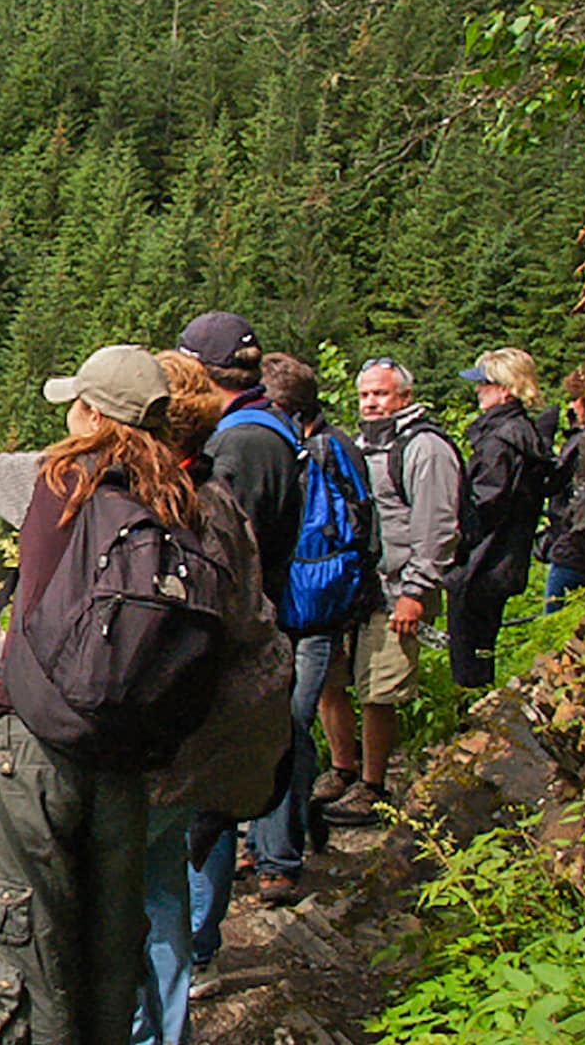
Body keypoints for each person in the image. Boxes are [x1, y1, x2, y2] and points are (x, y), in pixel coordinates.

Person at [0, 344, 191, 1045]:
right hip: (127, 748)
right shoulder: (178, 497)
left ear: (92, 413)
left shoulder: (55, 478)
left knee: (29, 942)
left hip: (35, 739)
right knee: (111, 943)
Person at [131, 351, 292, 1045]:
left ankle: (140, 1027)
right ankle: (166, 1025)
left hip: (163, 743)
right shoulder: (219, 496)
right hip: (216, 729)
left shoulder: (165, 509)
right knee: (164, 882)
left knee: (129, 890)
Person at [174, 312, 303, 981]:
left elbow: (230, 554)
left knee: (205, 808)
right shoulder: (269, 429)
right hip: (258, 629)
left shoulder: (242, 446)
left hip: (231, 645)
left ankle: (196, 951)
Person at [243, 353, 374, 905]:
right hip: (315, 609)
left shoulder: (307, 450)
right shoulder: (340, 447)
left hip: (300, 614)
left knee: (285, 728)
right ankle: (284, 833)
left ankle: (276, 857)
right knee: (285, 729)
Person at [315, 358, 462, 827]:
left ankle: (373, 787)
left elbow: (438, 526)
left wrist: (416, 591)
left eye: (380, 394)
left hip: (398, 587)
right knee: (329, 679)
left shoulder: (425, 448)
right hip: (352, 586)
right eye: (364, 395)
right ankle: (342, 768)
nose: (371, 403)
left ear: (403, 396)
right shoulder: (357, 446)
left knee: (379, 690)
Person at [446, 347, 552, 693]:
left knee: (469, 659)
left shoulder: (500, 442)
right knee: (482, 648)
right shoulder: (523, 432)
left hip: (483, 564)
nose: (479, 390)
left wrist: (452, 546)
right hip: (503, 561)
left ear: (505, 389)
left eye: (485, 384)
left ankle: (474, 725)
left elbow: (483, 507)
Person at [538, 368, 585, 611]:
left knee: (553, 626)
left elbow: (551, 484)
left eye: (575, 399)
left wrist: (543, 445)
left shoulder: (583, 443)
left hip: (574, 551)